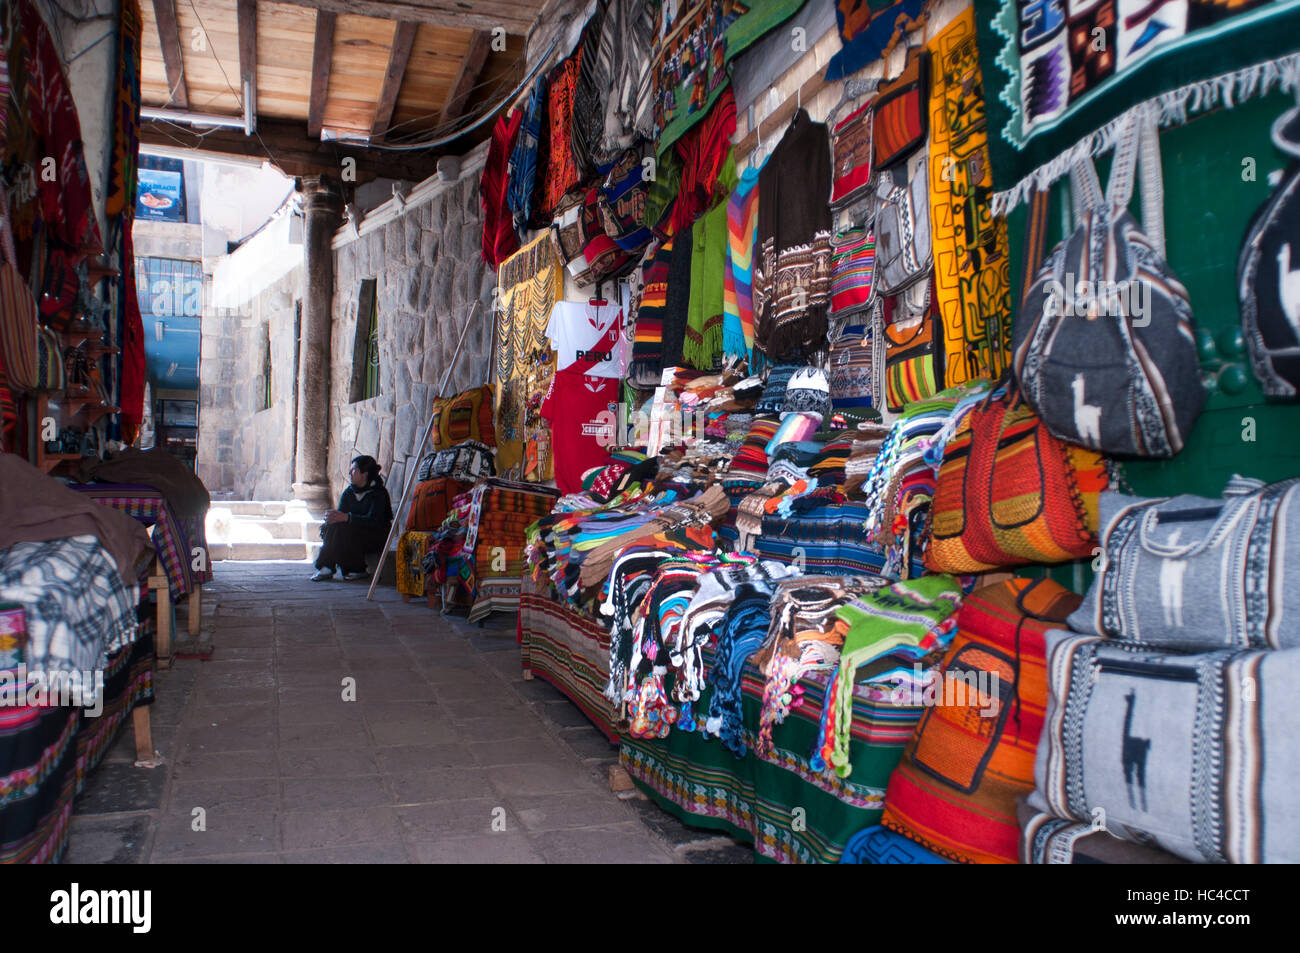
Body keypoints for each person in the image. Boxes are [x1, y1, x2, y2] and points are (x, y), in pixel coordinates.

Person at [311, 455, 393, 581]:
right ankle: (326, 567)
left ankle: (356, 569)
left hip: (374, 536)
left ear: (364, 474)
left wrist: (348, 518)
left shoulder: (378, 494)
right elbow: (340, 517)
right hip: (352, 533)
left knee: (344, 529)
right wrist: (333, 517)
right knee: (333, 526)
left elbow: (375, 522)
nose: (350, 473)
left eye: (353, 470)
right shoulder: (349, 492)